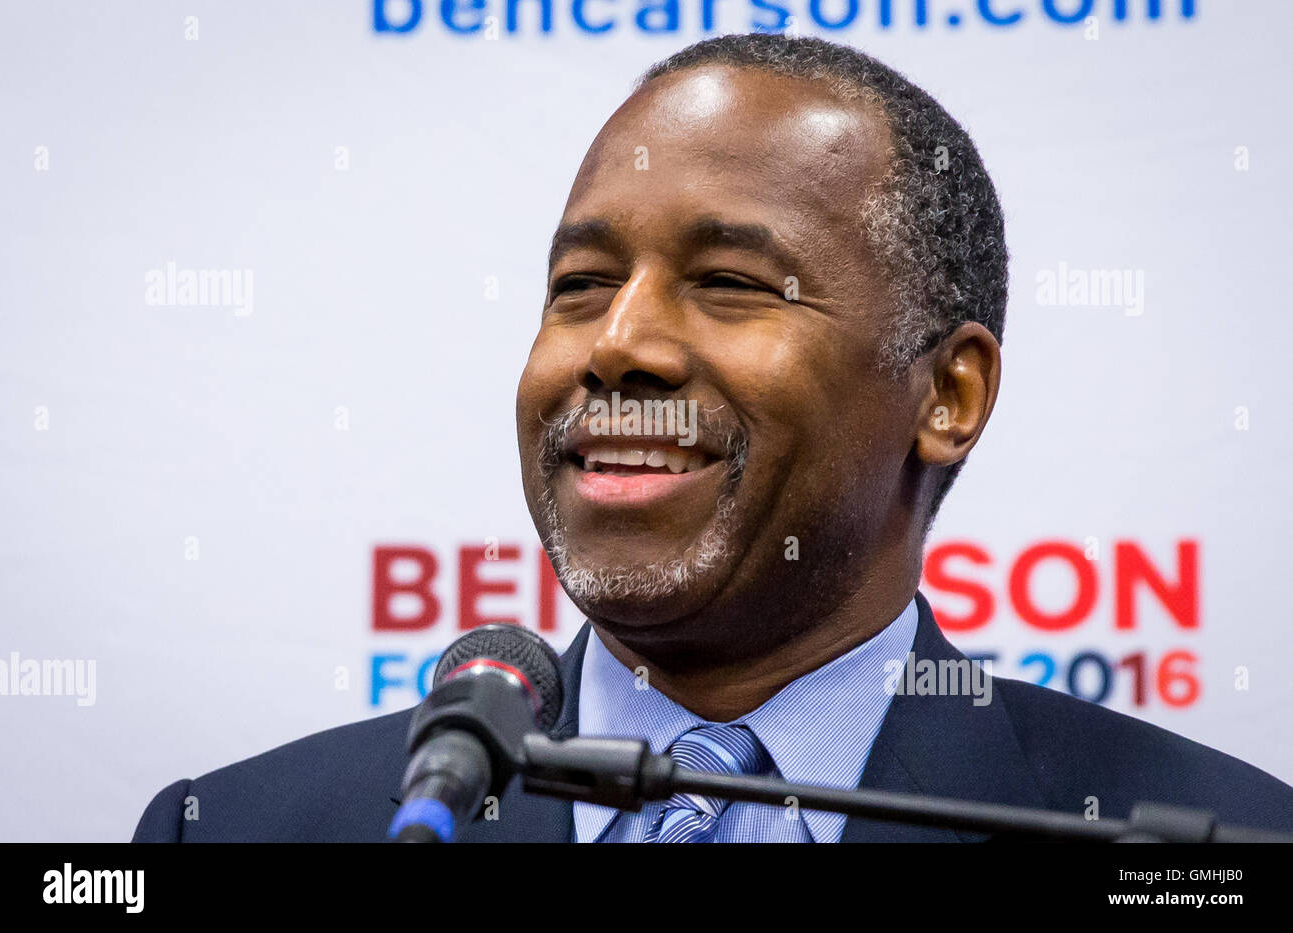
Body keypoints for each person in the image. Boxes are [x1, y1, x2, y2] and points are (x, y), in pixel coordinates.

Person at [133, 33, 1293, 843]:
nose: (617, 343)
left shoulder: (1200, 847)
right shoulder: (242, 830)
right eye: (579, 284)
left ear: (948, 393)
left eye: (732, 283)